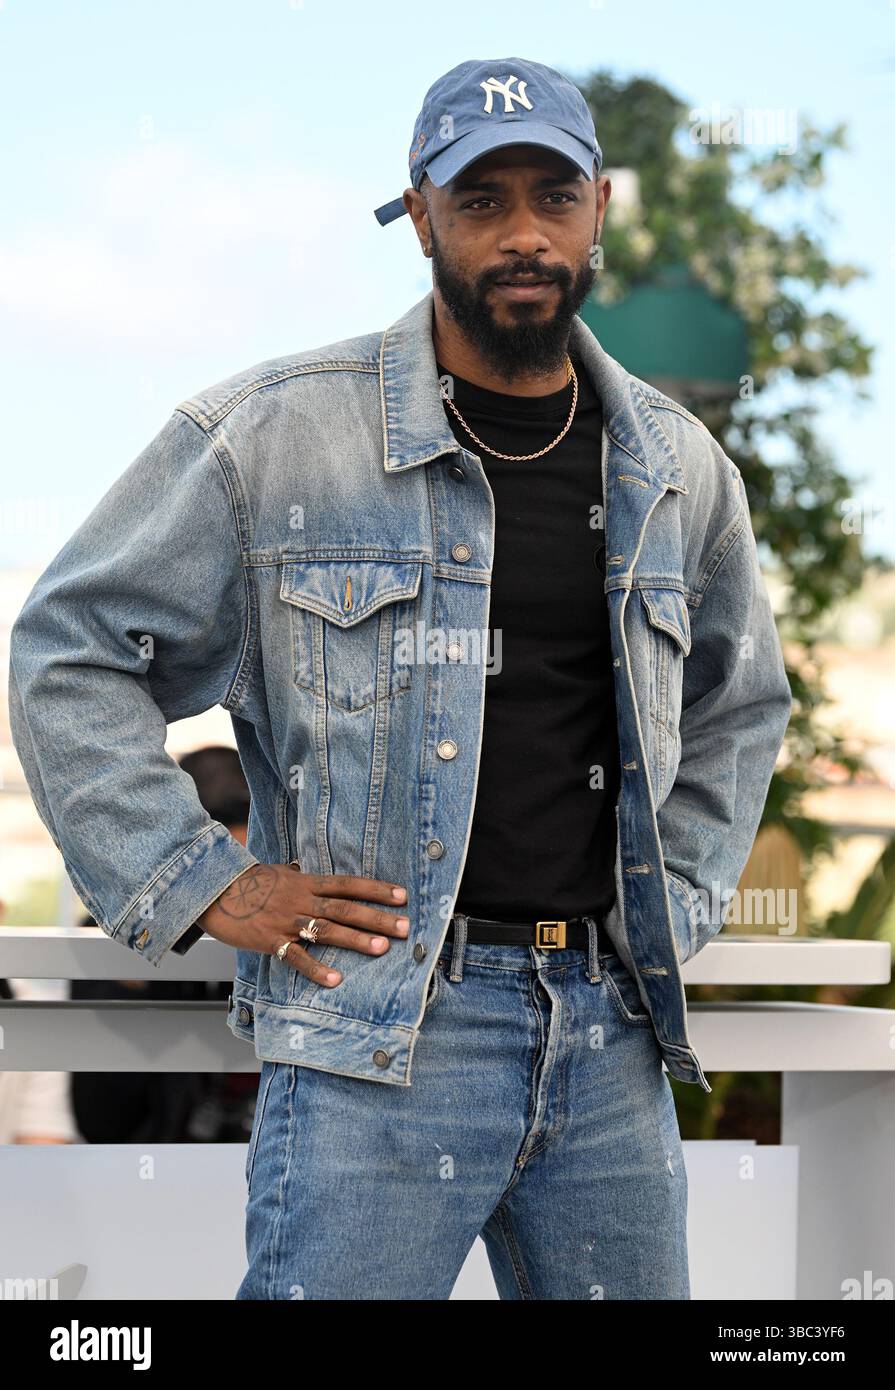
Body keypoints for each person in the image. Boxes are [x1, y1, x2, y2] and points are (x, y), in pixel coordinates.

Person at [8, 56, 792, 1299]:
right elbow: (68, 650)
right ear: (419, 215)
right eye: (480, 201)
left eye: (552, 194)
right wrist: (201, 879)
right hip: (376, 1036)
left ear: (599, 206)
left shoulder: (678, 467)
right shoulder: (274, 436)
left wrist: (676, 907)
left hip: (609, 1039)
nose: (522, 233)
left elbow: (739, 707)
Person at [68, 747, 259, 1145]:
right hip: (157, 1174)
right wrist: (131, 985)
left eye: (255, 871)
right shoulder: (121, 931)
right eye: (218, 874)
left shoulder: (286, 932)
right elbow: (101, 1121)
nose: (237, 895)